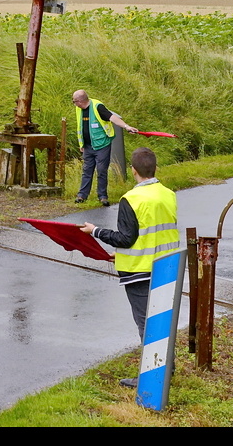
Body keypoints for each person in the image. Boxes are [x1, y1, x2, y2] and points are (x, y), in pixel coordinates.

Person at [80, 146, 180, 388]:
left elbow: (126, 238)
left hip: (140, 271)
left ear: (133, 171)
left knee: (146, 322)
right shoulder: (168, 193)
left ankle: (152, 375)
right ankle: (168, 367)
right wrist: (121, 254)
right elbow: (153, 234)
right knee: (162, 320)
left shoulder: (131, 199)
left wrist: (96, 231)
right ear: (155, 168)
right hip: (166, 266)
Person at [71, 89, 138, 206]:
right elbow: (81, 126)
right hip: (88, 146)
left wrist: (127, 127)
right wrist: (81, 144)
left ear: (80, 101)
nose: (74, 104)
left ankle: (102, 196)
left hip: (102, 145)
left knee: (102, 171)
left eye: (74, 101)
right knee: (87, 171)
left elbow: (112, 118)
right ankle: (82, 195)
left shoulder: (98, 107)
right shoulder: (79, 109)